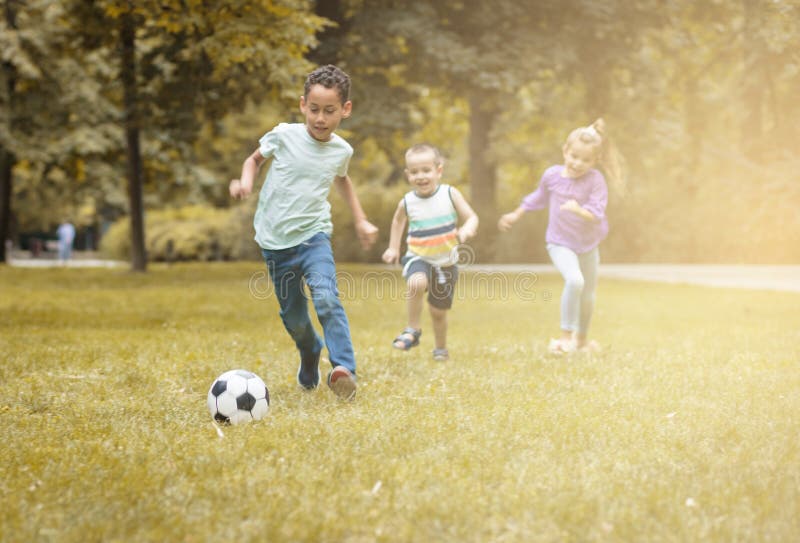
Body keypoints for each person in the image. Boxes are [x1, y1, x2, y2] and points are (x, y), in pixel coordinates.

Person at [229, 65, 379, 400]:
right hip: (275, 243)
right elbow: (253, 160)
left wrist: (360, 219)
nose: (320, 119)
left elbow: (342, 178)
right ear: (302, 105)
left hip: (314, 236)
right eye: (314, 110)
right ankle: (310, 351)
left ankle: (344, 370)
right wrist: (245, 183)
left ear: (346, 110)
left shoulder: (342, 150)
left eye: (329, 111)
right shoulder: (284, 135)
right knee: (295, 319)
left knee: (326, 298)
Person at [498, 119, 624, 354]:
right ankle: (565, 339)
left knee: (587, 295)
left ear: (595, 161)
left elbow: (597, 212)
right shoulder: (552, 176)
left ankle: (582, 342)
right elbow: (538, 197)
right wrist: (516, 214)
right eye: (574, 156)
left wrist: (579, 210)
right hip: (559, 242)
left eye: (585, 160)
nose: (578, 163)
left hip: (587, 245)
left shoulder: (595, 180)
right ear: (565, 151)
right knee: (575, 281)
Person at [382, 143, 479, 361]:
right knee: (416, 282)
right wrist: (393, 247)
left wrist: (466, 230)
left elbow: (472, 217)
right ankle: (413, 329)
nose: (421, 176)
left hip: (446, 263)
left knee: (438, 312)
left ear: (438, 171)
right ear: (408, 175)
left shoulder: (449, 194)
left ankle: (440, 349)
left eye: (426, 170)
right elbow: (397, 221)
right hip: (419, 256)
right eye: (414, 172)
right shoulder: (408, 202)